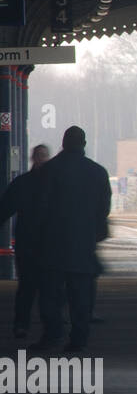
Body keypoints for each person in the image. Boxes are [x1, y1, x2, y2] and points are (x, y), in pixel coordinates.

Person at [32, 126, 111, 354]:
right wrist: (94, 233)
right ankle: (79, 339)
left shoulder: (50, 170)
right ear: (83, 144)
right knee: (81, 296)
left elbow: (41, 207)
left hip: (52, 245)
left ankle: (53, 334)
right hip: (83, 244)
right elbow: (103, 209)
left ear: (64, 143)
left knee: (50, 295)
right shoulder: (98, 172)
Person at [0, 144, 50, 339]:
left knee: (27, 287)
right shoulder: (54, 184)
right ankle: (49, 326)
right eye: (41, 156)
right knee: (45, 287)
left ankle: (22, 324)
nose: (42, 160)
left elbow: (5, 209)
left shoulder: (22, 183)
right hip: (46, 244)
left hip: (28, 242)